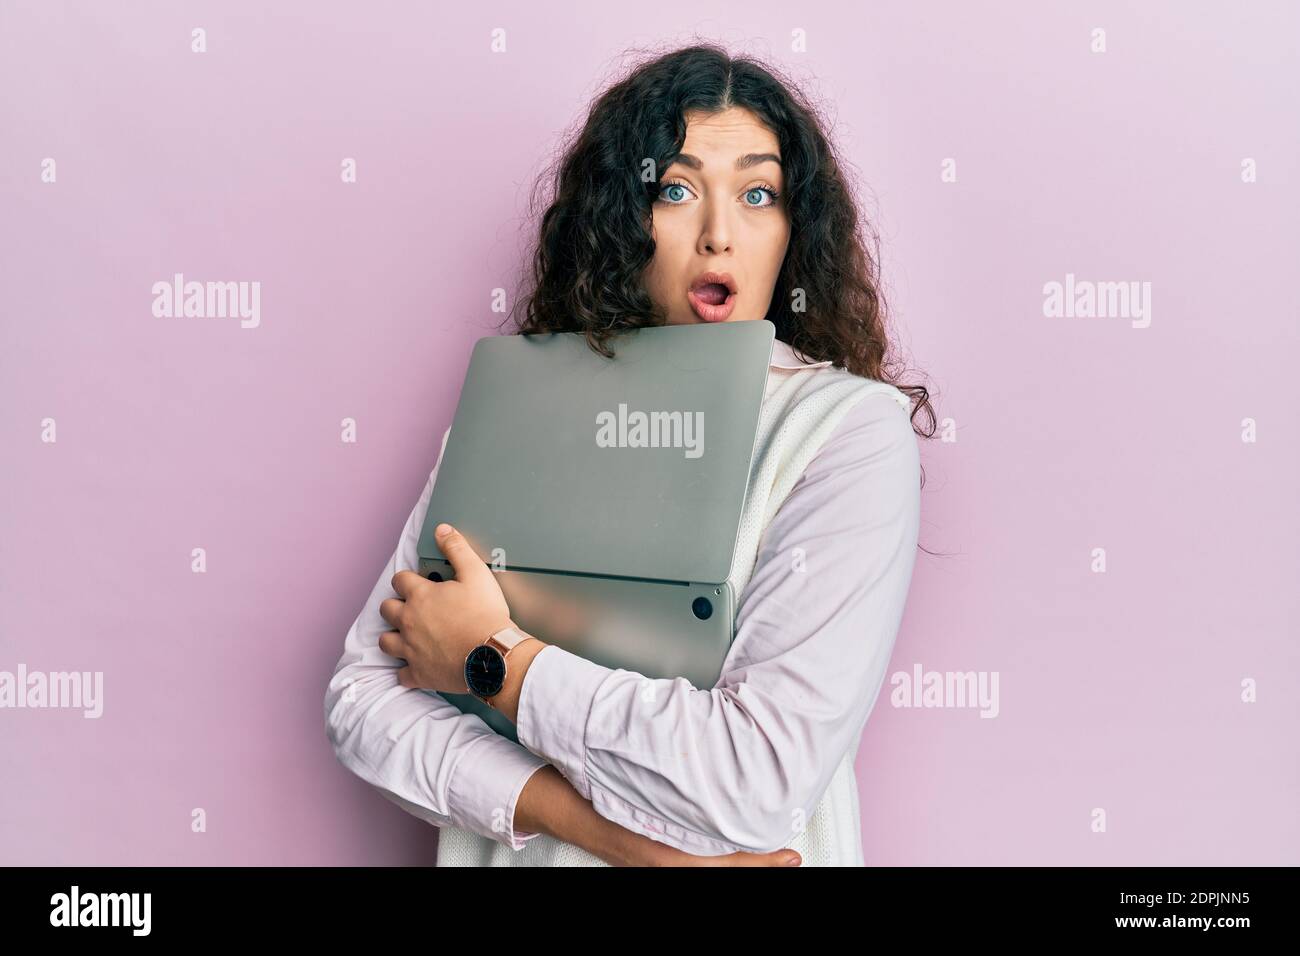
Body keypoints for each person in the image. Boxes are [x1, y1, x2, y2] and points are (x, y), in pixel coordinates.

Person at [324, 42, 936, 867]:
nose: (720, 236)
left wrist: (491, 661)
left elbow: (752, 780)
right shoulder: (516, 413)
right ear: (621, 216)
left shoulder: (843, 432)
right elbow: (364, 703)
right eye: (677, 190)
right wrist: (619, 840)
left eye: (759, 193)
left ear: (795, 229)